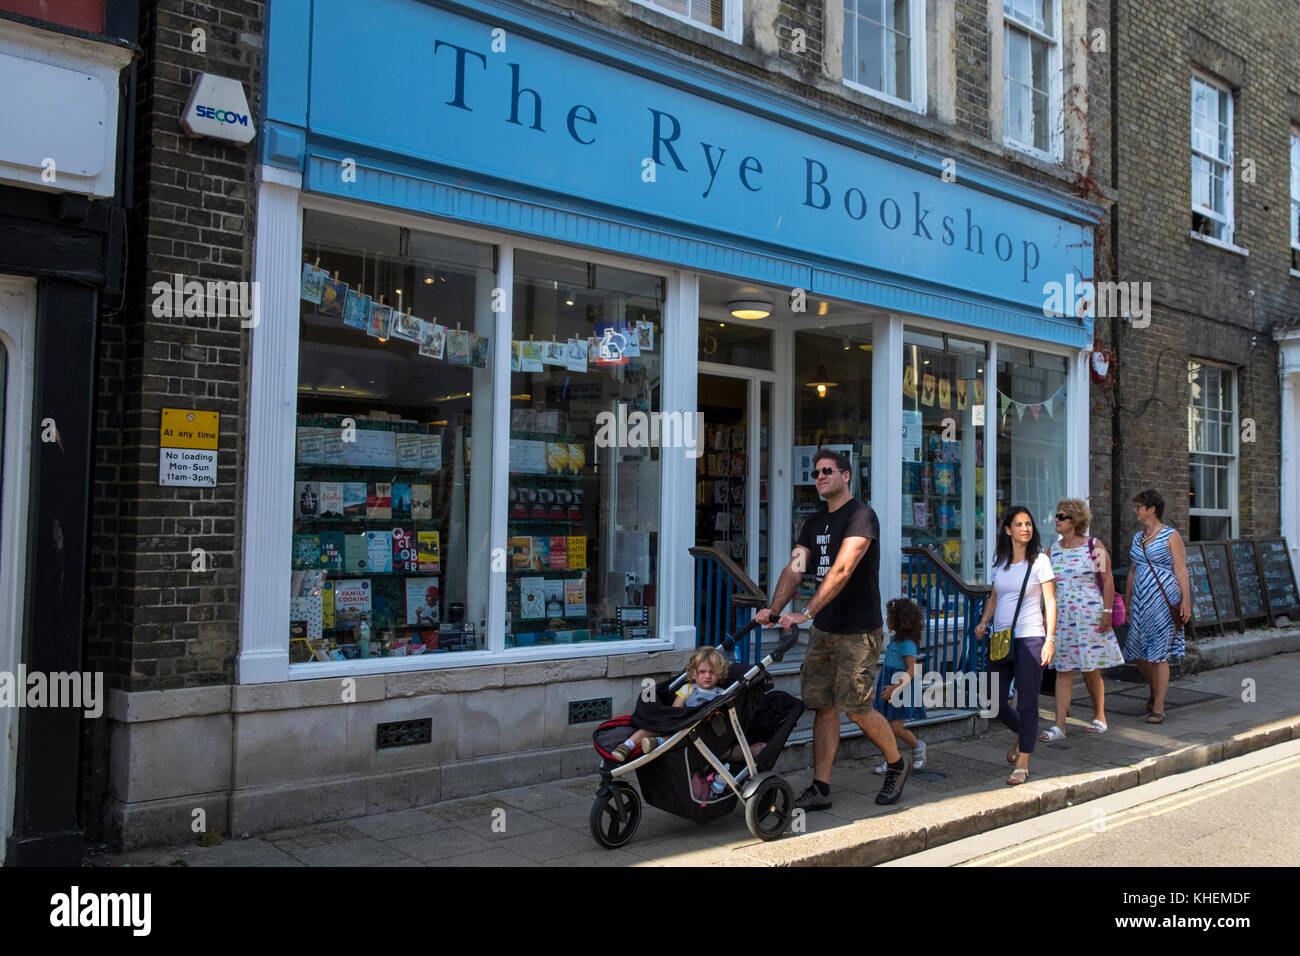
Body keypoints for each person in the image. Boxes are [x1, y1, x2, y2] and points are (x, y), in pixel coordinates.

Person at [754, 448, 910, 810]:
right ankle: (821, 786)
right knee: (823, 707)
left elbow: (842, 569)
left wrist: (804, 612)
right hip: (825, 630)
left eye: (827, 471)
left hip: (858, 631)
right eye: (816, 472)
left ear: (845, 475)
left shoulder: (862, 517)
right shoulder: (812, 523)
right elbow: (795, 568)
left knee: (856, 707)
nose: (820, 476)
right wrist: (774, 609)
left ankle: (896, 764)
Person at [973, 506, 1057, 785]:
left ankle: (1022, 762)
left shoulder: (1040, 561)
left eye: (1029, 524)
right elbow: (995, 598)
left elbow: (1050, 602)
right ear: (1008, 530)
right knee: (992, 701)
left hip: (1031, 637)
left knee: (1029, 702)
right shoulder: (1001, 562)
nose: (1026, 528)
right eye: (1019, 524)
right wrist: (984, 621)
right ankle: (1025, 734)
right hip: (1001, 638)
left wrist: (1050, 640)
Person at [1040, 498, 1125, 740]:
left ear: (1075, 521)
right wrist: (1047, 622)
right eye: (1056, 516)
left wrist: (1107, 612)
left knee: (1090, 668)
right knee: (1063, 669)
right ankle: (1059, 726)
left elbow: (1107, 579)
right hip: (1063, 616)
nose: (1057, 520)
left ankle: (1100, 716)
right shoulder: (1052, 550)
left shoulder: (1093, 545)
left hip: (1090, 615)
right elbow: (1049, 588)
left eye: (1062, 516)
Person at [1123, 489, 1191, 724]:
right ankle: (1155, 688)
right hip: (1141, 599)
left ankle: (1159, 707)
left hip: (1163, 599)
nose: (1135, 510)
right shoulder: (1138, 537)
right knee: (1137, 651)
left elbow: (1181, 569)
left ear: (1151, 509)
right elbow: (1133, 570)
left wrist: (1186, 601)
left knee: (1158, 653)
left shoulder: (1171, 536)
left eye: (1138, 506)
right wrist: (1127, 599)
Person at [610, 646, 727, 761]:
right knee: (652, 727)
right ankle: (627, 745)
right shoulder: (687, 689)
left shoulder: (721, 693)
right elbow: (675, 711)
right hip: (683, 721)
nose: (707, 676)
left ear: (720, 674)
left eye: (712, 672)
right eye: (702, 672)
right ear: (693, 674)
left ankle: (656, 742)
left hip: (701, 730)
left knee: (681, 738)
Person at [872, 598, 928, 775]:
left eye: (889, 617)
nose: (886, 620)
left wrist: (893, 688)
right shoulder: (896, 640)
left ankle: (918, 748)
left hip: (901, 689)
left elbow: (912, 670)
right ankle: (891, 760)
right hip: (890, 685)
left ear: (900, 620)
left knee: (895, 727)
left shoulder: (907, 644)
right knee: (886, 727)